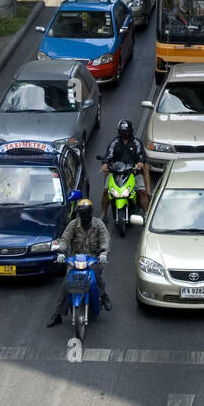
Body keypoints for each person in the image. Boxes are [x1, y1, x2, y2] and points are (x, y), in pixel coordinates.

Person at [47, 198, 112, 326]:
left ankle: (104, 296)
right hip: (75, 260)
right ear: (78, 213)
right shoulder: (73, 225)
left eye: (86, 212)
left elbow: (105, 240)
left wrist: (104, 253)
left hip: (93, 259)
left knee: (95, 275)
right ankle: (58, 314)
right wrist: (60, 252)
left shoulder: (99, 224)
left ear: (91, 212)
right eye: (82, 212)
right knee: (66, 282)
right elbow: (65, 240)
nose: (84, 215)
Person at [101, 119, 151, 217]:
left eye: (126, 131)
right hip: (116, 172)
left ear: (130, 131)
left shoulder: (136, 142)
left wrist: (140, 162)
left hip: (133, 171)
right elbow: (109, 154)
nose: (124, 133)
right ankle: (103, 213)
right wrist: (105, 163)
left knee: (142, 192)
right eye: (122, 131)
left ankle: (147, 214)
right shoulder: (115, 142)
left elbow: (141, 154)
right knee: (106, 191)